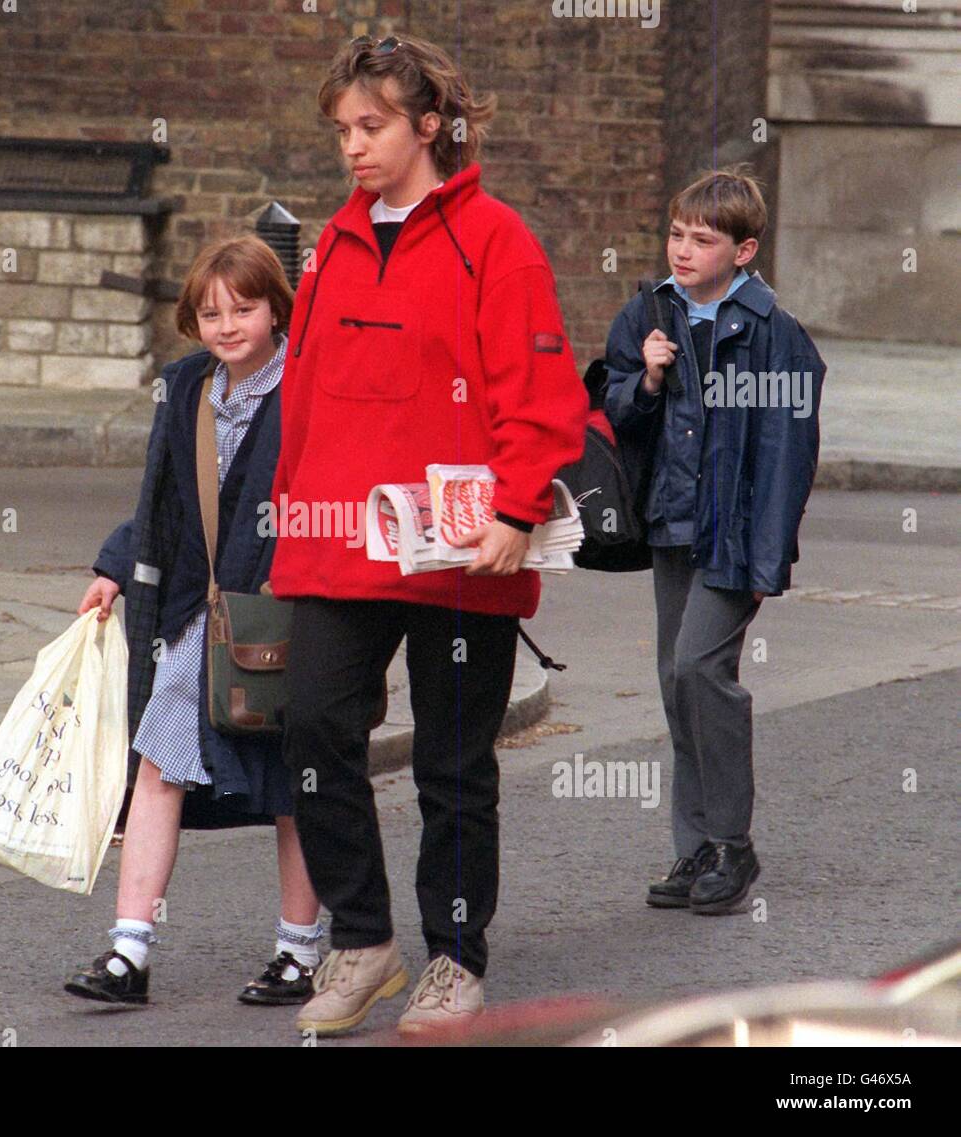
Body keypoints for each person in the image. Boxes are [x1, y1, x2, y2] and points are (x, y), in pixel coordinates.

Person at [270, 34, 589, 1036]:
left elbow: (538, 388)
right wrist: (283, 519)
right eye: (341, 131)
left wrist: (515, 507)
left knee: (455, 765)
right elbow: (306, 396)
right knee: (312, 730)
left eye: (369, 127)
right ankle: (363, 941)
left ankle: (455, 959)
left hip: (461, 549)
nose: (352, 148)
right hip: (336, 539)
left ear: (427, 125)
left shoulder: (494, 239)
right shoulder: (331, 244)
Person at [62, 236, 324, 1007]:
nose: (227, 324)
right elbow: (162, 498)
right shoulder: (184, 389)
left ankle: (299, 952)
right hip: (194, 620)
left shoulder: (309, 386)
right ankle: (128, 951)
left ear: (278, 308)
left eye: (244, 308)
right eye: (211, 312)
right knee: (158, 760)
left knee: (293, 785)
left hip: (283, 615)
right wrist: (115, 566)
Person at [604, 167, 825, 915]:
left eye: (703, 240)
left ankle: (733, 842)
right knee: (674, 678)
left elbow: (787, 455)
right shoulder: (650, 312)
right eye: (676, 235)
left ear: (744, 249)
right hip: (670, 522)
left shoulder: (774, 333)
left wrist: (768, 557)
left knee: (701, 666)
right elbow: (610, 409)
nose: (684, 250)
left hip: (732, 534)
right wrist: (647, 381)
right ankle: (694, 844)